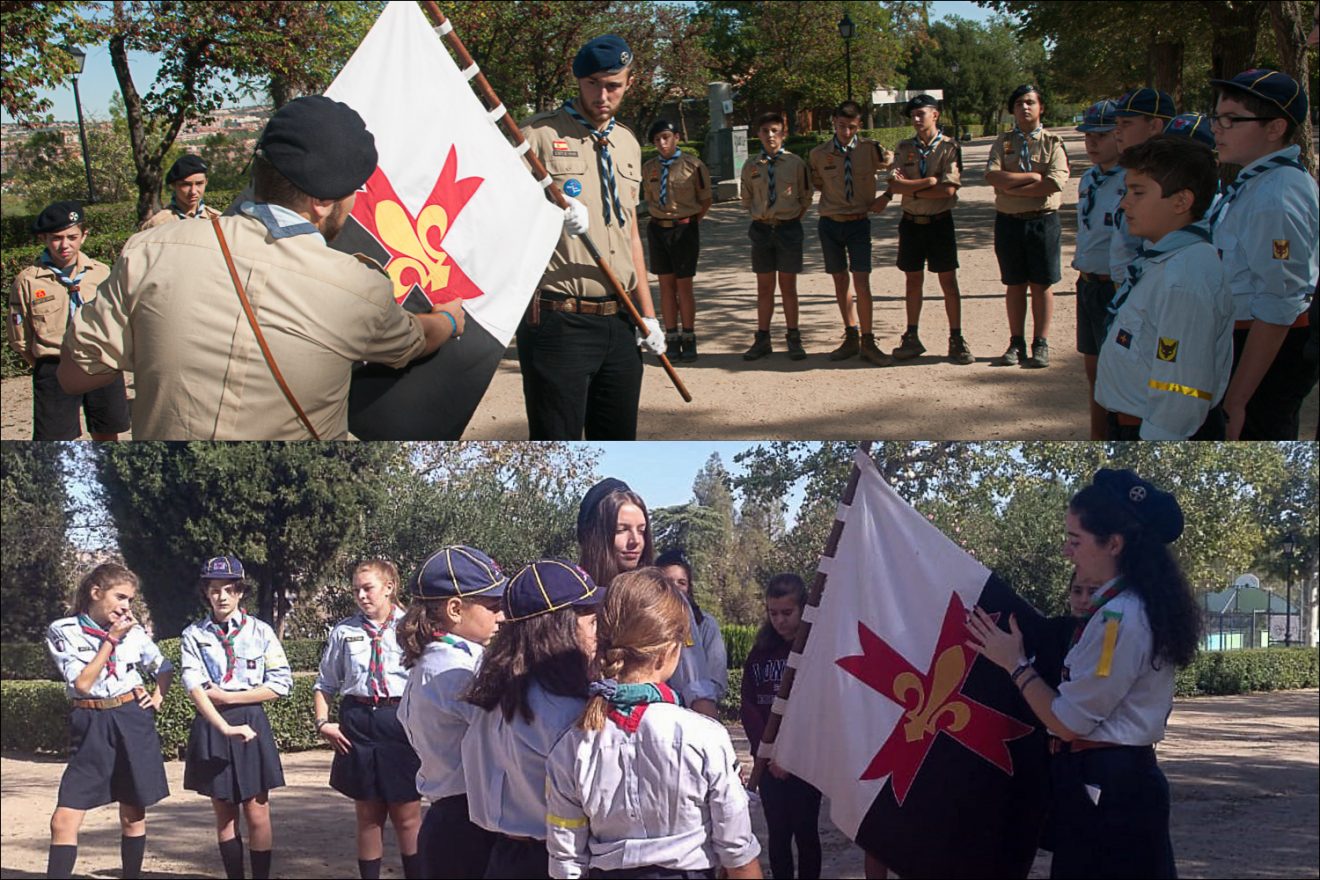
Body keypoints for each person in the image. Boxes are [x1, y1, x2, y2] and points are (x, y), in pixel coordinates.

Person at [57, 95, 463, 440]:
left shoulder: (150, 250)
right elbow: (412, 341)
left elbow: (75, 376)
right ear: (322, 201)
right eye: (354, 191)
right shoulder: (359, 289)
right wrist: (448, 318)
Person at [967, 468, 1201, 879]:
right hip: (1114, 785)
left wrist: (1014, 664)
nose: (1066, 551)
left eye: (1075, 540)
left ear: (1114, 543)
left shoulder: (1118, 620)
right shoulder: (1126, 609)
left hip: (1110, 793)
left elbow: (1069, 722)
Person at [545, 567, 763, 879]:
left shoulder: (571, 745)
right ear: (668, 653)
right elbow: (738, 854)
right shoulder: (704, 737)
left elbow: (566, 863)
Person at [517, 34, 665, 440]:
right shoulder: (536, 137)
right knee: (555, 439)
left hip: (620, 321)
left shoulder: (628, 143)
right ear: (577, 81)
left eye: (613, 85)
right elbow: (497, 211)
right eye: (593, 84)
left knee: (617, 438)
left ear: (629, 82)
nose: (603, 95)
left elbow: (632, 232)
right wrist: (550, 211)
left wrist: (648, 314)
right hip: (558, 318)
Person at [461, 559, 603, 879]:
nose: (601, 636)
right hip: (557, 860)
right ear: (560, 628)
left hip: (504, 856)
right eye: (593, 624)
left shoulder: (495, 693)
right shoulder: (566, 709)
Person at [1095, 136, 1232, 440]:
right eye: (1126, 190)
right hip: (1135, 423)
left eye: (1138, 192)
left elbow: (1181, 390)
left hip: (1158, 432)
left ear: (1181, 201)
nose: (1124, 203)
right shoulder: (1161, 259)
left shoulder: (1184, 277)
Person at [1208, 68, 1318, 440]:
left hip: (1267, 347)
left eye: (1232, 119)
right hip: (1247, 337)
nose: (1217, 128)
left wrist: (1238, 397)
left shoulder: (1276, 196)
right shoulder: (1257, 182)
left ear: (1274, 128)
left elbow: (1280, 301)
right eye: (1216, 117)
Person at [45, 563, 172, 880]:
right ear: (96, 592)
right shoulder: (64, 631)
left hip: (131, 717)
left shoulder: (136, 632)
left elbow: (164, 666)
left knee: (133, 813)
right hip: (90, 722)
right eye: (120, 597)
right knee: (63, 819)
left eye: (130, 599)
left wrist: (158, 696)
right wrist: (111, 640)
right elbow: (83, 683)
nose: (127, 606)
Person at [397, 546, 508, 880]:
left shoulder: (437, 660)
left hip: (453, 819)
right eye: (493, 606)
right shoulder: (456, 669)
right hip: (467, 823)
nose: (501, 616)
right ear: (455, 609)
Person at [180, 555, 293, 880]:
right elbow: (195, 684)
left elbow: (281, 683)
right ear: (206, 593)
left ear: (241, 592)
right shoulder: (193, 635)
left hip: (251, 721)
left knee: (258, 814)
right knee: (225, 814)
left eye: (229, 589)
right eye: (215, 590)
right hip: (213, 724)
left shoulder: (261, 632)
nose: (222, 597)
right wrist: (219, 709)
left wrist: (230, 696)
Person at [313, 560, 422, 880]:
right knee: (368, 816)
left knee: (407, 815)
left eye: (368, 588)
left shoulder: (412, 628)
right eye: (356, 590)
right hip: (358, 721)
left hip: (399, 720)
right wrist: (323, 723)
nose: (361, 595)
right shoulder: (343, 631)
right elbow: (325, 684)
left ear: (389, 587)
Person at [577, 478, 719, 718]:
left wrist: (711, 736)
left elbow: (694, 680)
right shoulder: (576, 600)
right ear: (595, 534)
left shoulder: (665, 599)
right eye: (621, 530)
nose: (635, 541)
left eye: (641, 530)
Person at [7, 200, 130, 440]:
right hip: (55, 367)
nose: (65, 245)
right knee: (55, 440)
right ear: (44, 239)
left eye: (72, 237)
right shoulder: (28, 281)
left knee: (107, 432)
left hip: (100, 362)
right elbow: (20, 339)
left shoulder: (101, 273)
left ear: (84, 235)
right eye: (56, 238)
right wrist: (50, 364)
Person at [877, 93, 974, 366]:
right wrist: (929, 181)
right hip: (911, 223)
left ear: (936, 114)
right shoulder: (904, 146)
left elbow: (948, 189)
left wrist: (914, 188)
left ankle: (956, 337)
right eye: (913, 115)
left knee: (948, 282)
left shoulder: (949, 147)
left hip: (940, 223)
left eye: (922, 113)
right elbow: (895, 186)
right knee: (912, 281)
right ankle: (912, 336)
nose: (917, 119)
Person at [742, 573, 821, 880]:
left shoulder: (812, 651)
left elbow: (816, 708)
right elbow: (749, 704)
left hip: (804, 762)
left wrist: (791, 754)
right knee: (778, 833)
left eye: (787, 613)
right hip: (769, 762)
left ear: (802, 610)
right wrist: (768, 751)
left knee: (806, 832)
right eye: (773, 613)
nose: (780, 621)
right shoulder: (760, 652)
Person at [985, 84, 1070, 369]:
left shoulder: (1053, 142)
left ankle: (1040, 343)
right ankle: (1016, 341)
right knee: (1014, 284)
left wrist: (1014, 189)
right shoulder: (1003, 141)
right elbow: (993, 176)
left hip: (1042, 221)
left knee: (1042, 284)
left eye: (1031, 102)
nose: (1025, 107)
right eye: (1020, 103)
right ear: (1013, 109)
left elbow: (1053, 182)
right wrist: (1033, 176)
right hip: (1009, 223)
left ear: (1041, 107)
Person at [808, 100, 894, 366]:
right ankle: (851, 335)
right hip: (831, 224)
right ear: (833, 122)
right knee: (839, 281)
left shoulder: (872, 150)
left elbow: (900, 167)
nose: (847, 132)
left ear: (859, 125)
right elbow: (817, 183)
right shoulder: (818, 154)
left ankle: (868, 340)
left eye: (853, 127)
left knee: (862, 281)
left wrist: (887, 196)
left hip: (859, 224)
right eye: (842, 126)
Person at [1070, 100, 1124, 439]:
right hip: (1087, 283)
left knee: (1118, 374)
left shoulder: (1134, 180)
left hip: (1115, 287)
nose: (1092, 143)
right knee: (1093, 373)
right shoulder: (1089, 179)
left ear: (1120, 135)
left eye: (1101, 135)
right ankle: (1098, 438)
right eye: (1088, 135)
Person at [741, 110, 813, 361]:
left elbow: (805, 198)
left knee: (788, 287)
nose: (770, 135)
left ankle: (794, 337)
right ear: (757, 134)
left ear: (783, 133)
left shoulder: (795, 164)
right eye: (765, 131)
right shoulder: (751, 165)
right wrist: (763, 216)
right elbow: (747, 197)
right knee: (764, 287)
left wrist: (788, 217)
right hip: (761, 229)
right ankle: (762, 339)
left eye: (775, 130)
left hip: (788, 229)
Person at [642, 118, 712, 362]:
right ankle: (671, 335)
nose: (661, 143)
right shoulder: (649, 168)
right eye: (657, 139)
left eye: (666, 137)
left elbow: (705, 200)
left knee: (684, 287)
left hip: (683, 230)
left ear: (676, 138)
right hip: (658, 229)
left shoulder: (693, 165)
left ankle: (689, 336)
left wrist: (690, 222)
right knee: (665, 286)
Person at [1107, 88, 1177, 287]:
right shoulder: (1128, 172)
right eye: (1117, 124)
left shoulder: (1168, 179)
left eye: (1127, 123)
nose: (1117, 131)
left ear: (1154, 125)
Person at [656, 547, 729, 705]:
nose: (675, 589)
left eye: (681, 583)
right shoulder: (646, 626)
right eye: (668, 582)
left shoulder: (706, 624)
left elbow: (717, 681)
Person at [139, 154, 222, 230]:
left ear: (206, 182)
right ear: (174, 186)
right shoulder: (159, 224)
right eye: (186, 185)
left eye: (199, 183)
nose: (193, 191)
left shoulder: (217, 219)